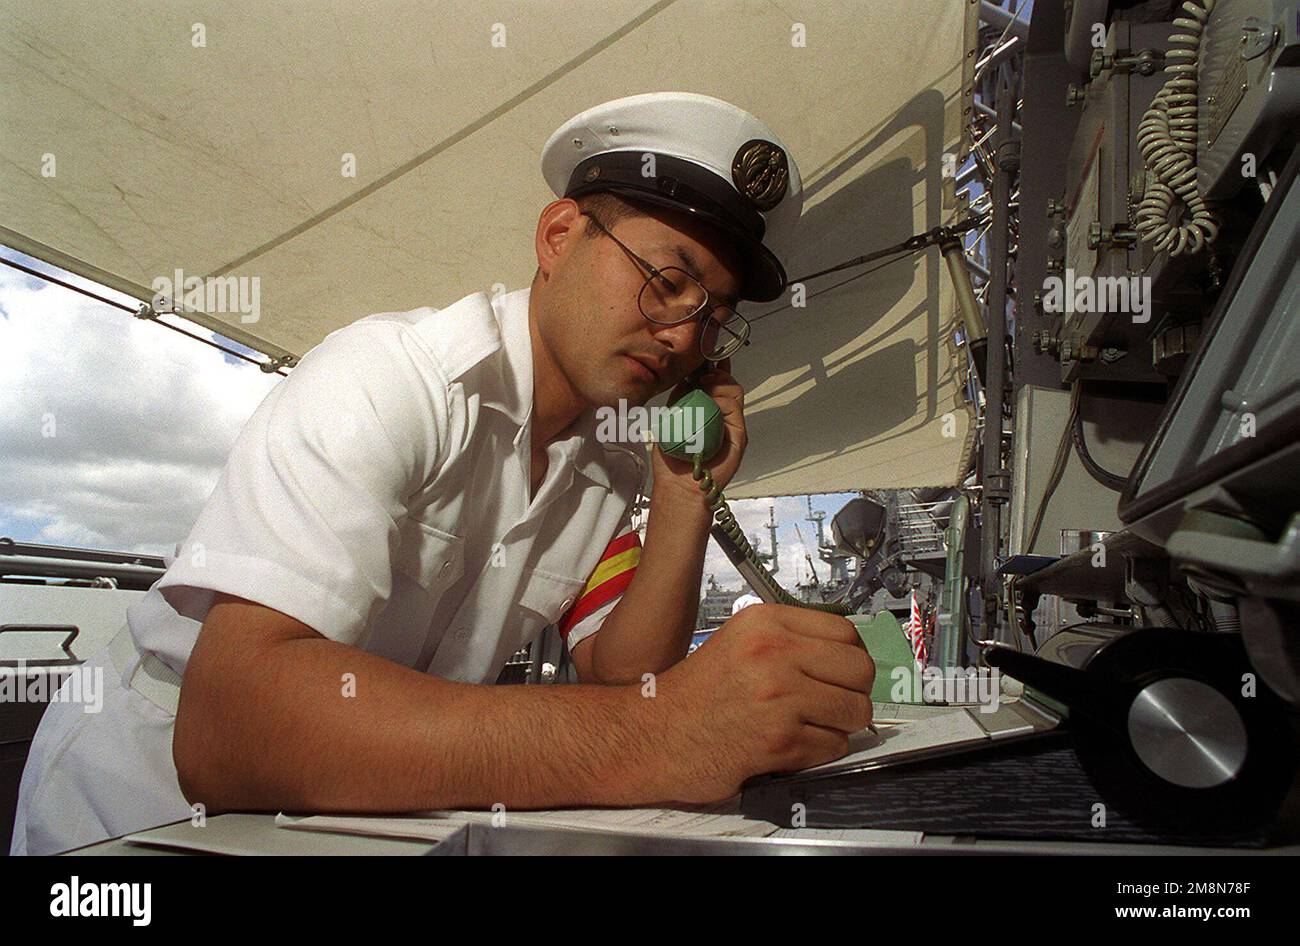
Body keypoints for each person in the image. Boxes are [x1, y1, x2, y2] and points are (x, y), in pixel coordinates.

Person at [11, 92, 874, 855]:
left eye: (713, 315)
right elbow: (235, 721)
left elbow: (620, 669)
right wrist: (666, 735)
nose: (685, 336)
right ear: (560, 236)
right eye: (667, 280)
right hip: (140, 812)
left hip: (357, 812)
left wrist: (685, 490)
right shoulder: (391, 376)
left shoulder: (608, 461)